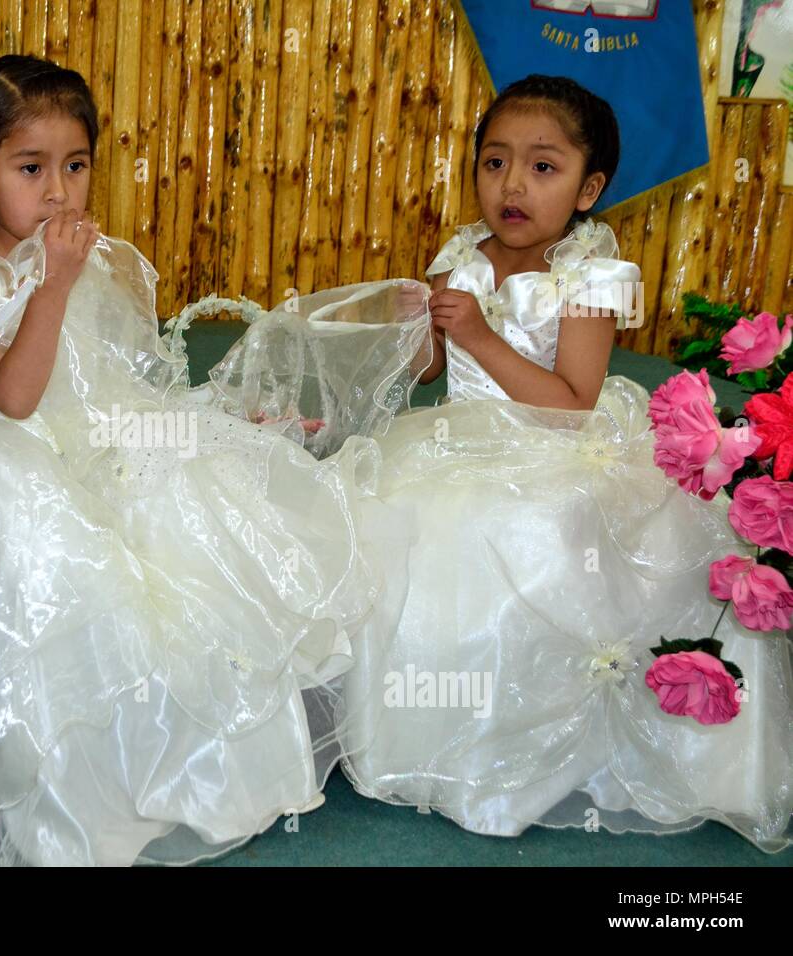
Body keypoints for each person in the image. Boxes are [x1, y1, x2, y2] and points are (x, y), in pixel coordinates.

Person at [0, 54, 429, 865]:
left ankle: (198, 770)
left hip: (108, 433)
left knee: (206, 506)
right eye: (30, 168)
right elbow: (14, 396)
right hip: (15, 454)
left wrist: (211, 417)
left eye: (76, 167)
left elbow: (128, 377)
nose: (59, 192)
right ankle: (94, 782)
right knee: (77, 557)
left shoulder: (96, 258)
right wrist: (51, 286)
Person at [336, 74, 793, 852]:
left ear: (590, 188)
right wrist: (416, 330)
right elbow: (425, 373)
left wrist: (480, 336)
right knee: (391, 517)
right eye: (493, 162)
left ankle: (518, 755)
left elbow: (573, 401)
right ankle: (423, 741)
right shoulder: (459, 256)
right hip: (458, 440)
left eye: (543, 167)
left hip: (554, 447)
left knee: (508, 531)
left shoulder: (590, 276)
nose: (512, 184)